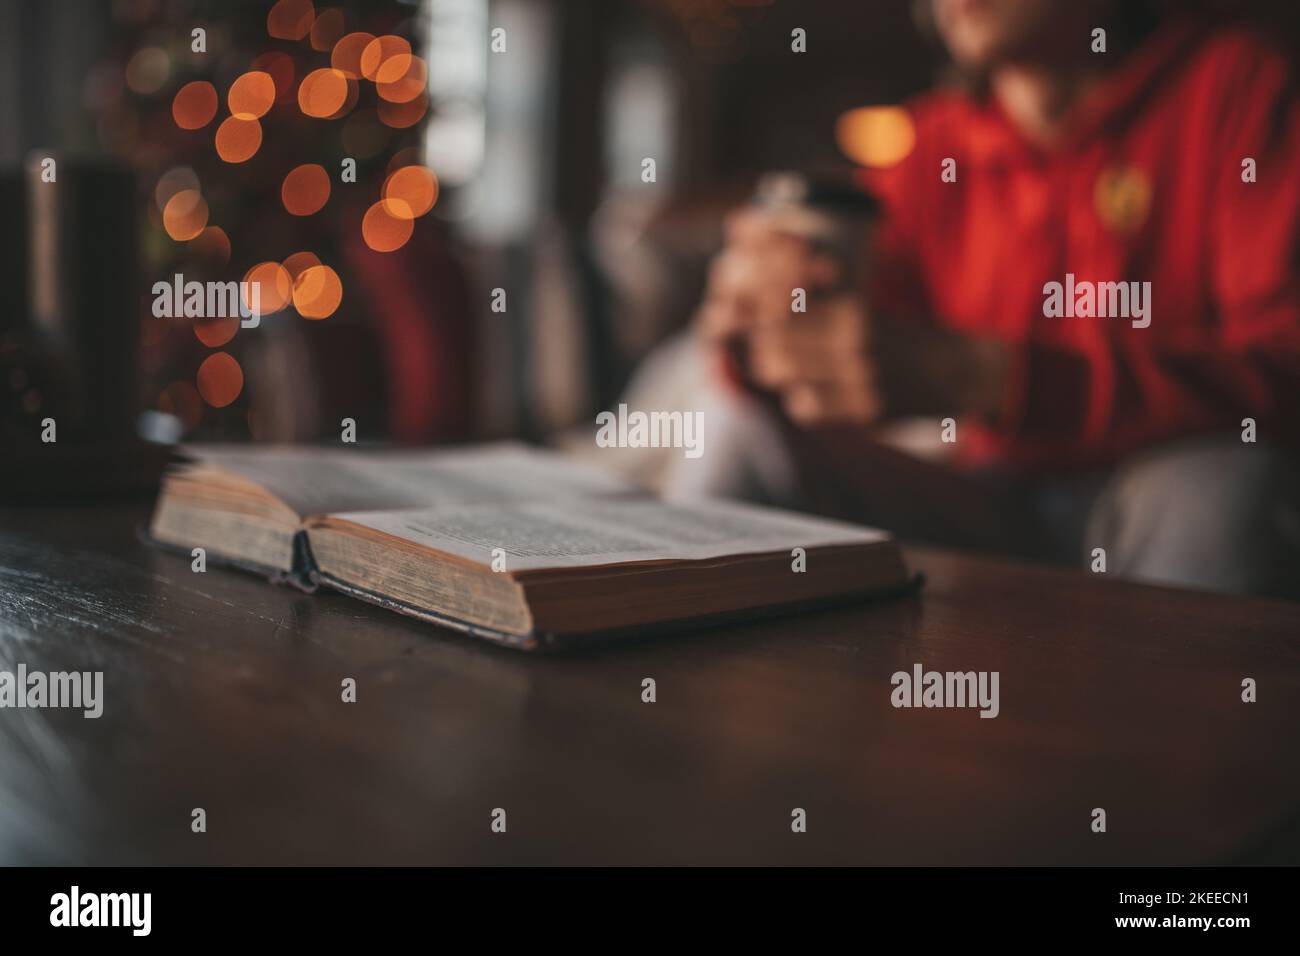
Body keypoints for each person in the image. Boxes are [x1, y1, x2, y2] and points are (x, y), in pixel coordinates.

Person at [688, 0, 1300, 598]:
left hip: (1152, 492)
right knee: (737, 432)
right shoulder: (935, 142)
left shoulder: (1235, 86)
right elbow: (841, 340)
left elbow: (1282, 365)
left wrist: (1000, 380)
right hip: (987, 499)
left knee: (1219, 486)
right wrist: (758, 335)